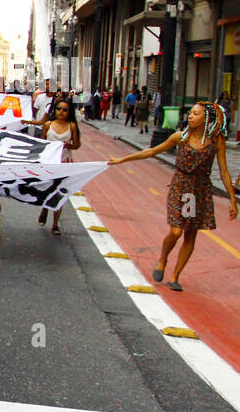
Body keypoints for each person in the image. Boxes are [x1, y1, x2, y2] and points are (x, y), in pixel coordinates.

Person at [108, 101, 237, 290]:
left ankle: (175, 276)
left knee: (191, 233)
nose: (190, 116)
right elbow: (152, 151)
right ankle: (162, 259)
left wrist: (233, 200)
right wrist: (121, 159)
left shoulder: (216, 141)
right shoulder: (180, 137)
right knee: (176, 230)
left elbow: (224, 172)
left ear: (206, 118)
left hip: (200, 190)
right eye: (190, 113)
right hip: (181, 186)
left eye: (195, 114)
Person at [32, 98, 81, 234]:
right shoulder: (48, 125)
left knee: (60, 191)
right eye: (59, 109)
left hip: (64, 163)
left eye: (65, 110)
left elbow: (77, 145)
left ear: (69, 112)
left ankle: (55, 224)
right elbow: (42, 143)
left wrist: (68, 145)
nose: (61, 112)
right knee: (48, 189)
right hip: (49, 163)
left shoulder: (72, 126)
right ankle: (45, 208)